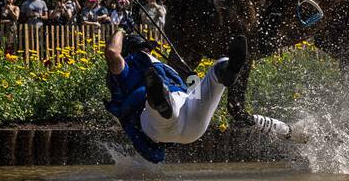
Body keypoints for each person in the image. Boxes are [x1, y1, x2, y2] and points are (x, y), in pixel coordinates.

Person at [103, 29, 303, 163]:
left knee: (218, 68)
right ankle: (160, 102)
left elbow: (193, 93)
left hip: (188, 120)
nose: (147, 50)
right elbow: (112, 52)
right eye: (143, 48)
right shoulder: (126, 70)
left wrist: (195, 81)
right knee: (159, 98)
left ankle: (227, 70)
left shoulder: (161, 67)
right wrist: (120, 29)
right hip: (161, 127)